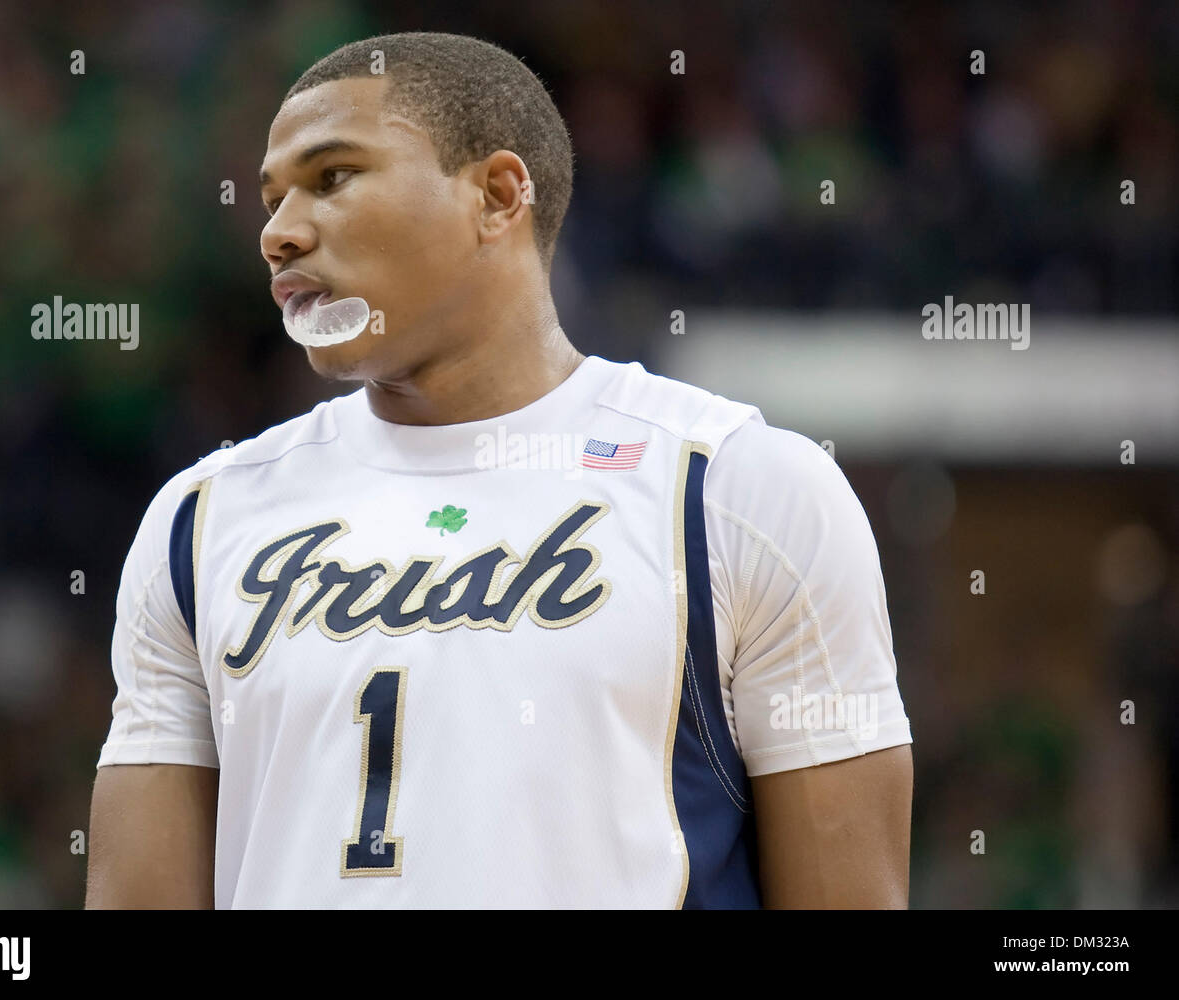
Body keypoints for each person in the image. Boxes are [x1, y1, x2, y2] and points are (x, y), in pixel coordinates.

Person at [85, 30, 912, 909]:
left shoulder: (740, 489)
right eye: (272, 200)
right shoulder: (202, 518)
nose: (279, 234)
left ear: (497, 195)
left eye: (332, 178)